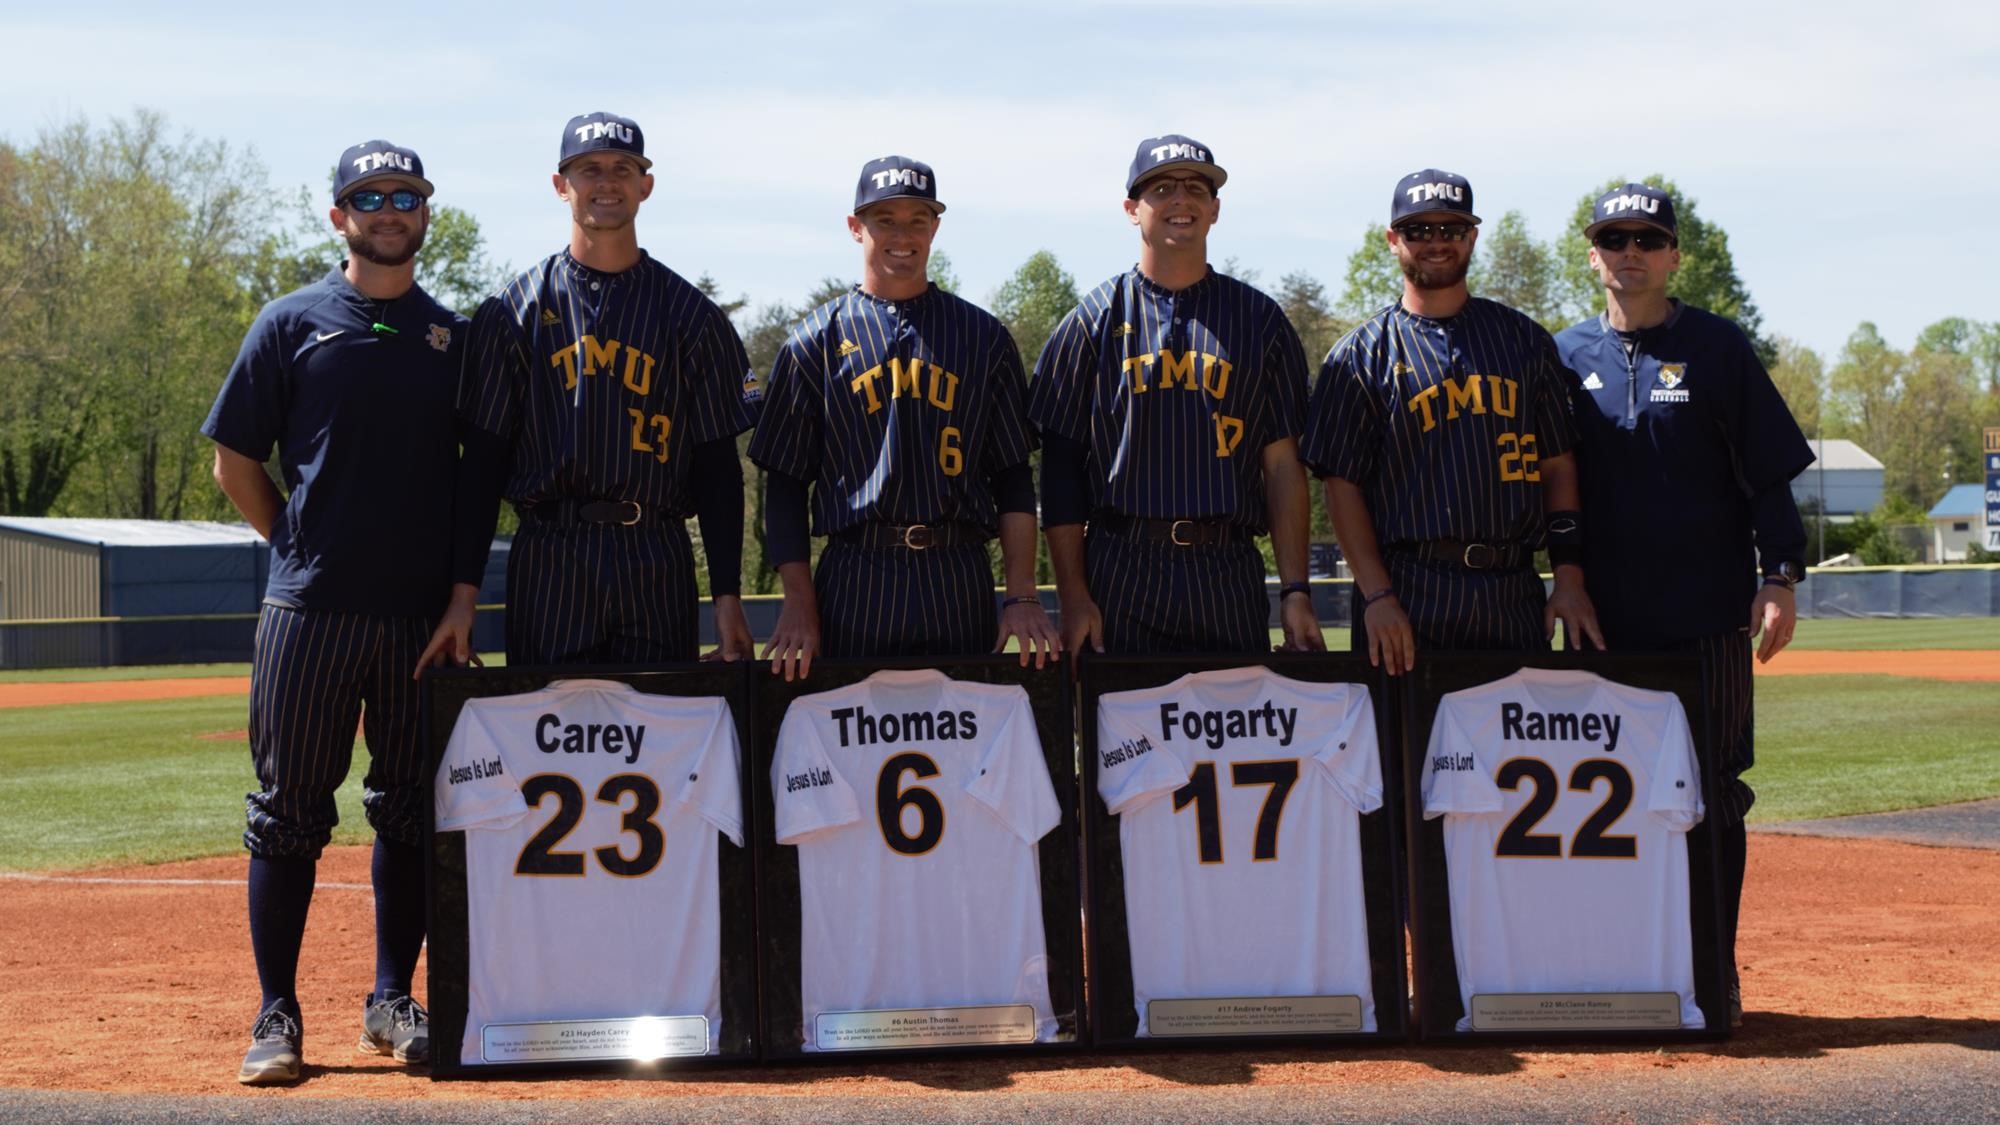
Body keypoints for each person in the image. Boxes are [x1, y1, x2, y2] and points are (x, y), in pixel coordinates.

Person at [202, 140, 462, 1084]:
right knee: (288, 814)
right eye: (369, 195)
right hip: (307, 614)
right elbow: (235, 457)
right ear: (338, 213)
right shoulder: (292, 322)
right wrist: (294, 549)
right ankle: (277, 1011)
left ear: (425, 212)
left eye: (405, 195)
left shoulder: (450, 338)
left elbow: (476, 482)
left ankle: (393, 997)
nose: (388, 209)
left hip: (420, 622)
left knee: (409, 808)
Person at [1554, 181, 1813, 1026]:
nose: (1630, 252)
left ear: (1672, 255)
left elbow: (1767, 474)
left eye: (1647, 238)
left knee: (1712, 792)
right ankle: (1620, 967)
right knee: (1607, 795)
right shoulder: (1561, 356)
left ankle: (1712, 970)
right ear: (1592, 253)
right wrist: (1564, 573)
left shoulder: (1717, 348)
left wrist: (1779, 574)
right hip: (1603, 624)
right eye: (1614, 238)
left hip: (1705, 617)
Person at [418, 112, 754, 670]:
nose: (606, 182)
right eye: (588, 169)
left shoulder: (691, 315)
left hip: (655, 551)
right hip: (551, 551)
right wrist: (463, 599)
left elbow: (718, 469)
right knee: (548, 739)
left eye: (623, 168)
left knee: (659, 739)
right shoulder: (512, 311)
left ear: (645, 185)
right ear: (560, 185)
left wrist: (728, 600)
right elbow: (480, 466)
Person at [750, 156, 1058, 680]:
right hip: (855, 575)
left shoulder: (982, 337)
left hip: (957, 571)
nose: (903, 234)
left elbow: (1011, 478)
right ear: (855, 227)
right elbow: (783, 486)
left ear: (935, 226)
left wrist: (1023, 595)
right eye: (885, 219)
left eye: (918, 219)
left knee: (968, 737)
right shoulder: (813, 342)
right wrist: (798, 602)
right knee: (850, 740)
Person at [1027, 135, 1322, 656]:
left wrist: (1295, 590)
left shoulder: (1260, 321)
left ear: (1214, 209)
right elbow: (1061, 473)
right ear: (1131, 209)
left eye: (1195, 188)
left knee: (1236, 733)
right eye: (1161, 188)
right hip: (1122, 567)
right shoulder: (1090, 321)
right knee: (1122, 737)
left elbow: (1281, 467)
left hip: (1226, 568)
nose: (1180, 200)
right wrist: (1073, 596)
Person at [1301, 168, 1601, 672]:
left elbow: (1558, 466)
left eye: (1452, 229)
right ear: (1393, 239)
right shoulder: (1358, 355)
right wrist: (1376, 596)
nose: (1437, 242)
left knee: (1512, 749)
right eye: (1419, 230)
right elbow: (1341, 486)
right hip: (1407, 589)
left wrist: (1568, 576)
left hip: (1512, 591)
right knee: (1404, 751)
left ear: (1472, 237)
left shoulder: (1525, 341)